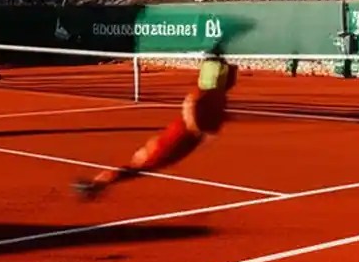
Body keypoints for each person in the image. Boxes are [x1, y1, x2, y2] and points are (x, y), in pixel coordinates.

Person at [73, 53, 239, 199]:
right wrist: (196, 126)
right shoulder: (205, 95)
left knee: (136, 168)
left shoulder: (216, 94)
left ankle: (95, 184)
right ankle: (94, 184)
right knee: (136, 168)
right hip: (177, 138)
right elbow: (190, 103)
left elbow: (203, 99)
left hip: (183, 140)